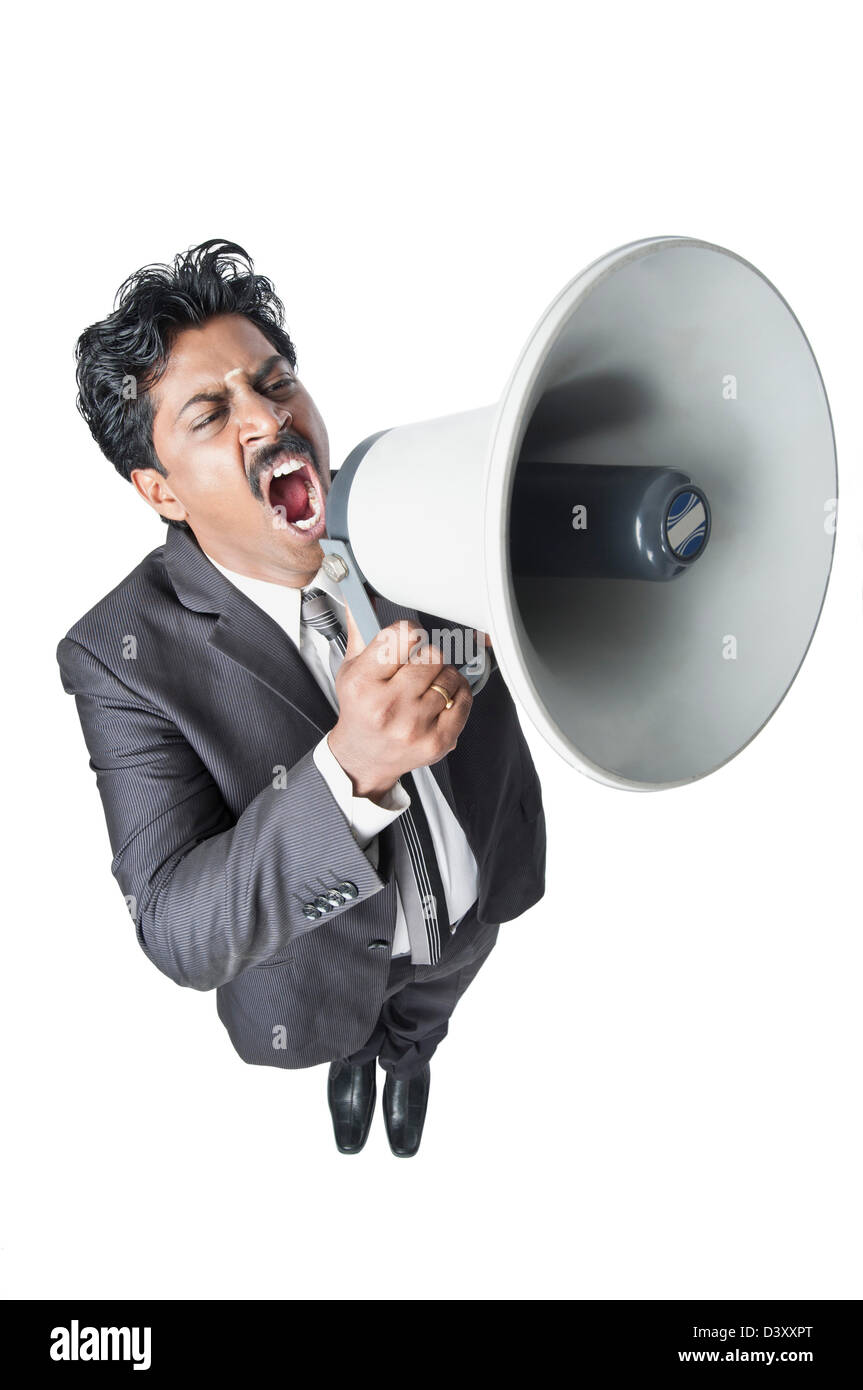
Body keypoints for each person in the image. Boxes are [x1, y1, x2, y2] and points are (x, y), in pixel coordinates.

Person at [57, 240, 546, 1157]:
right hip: (309, 970)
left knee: (431, 999)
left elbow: (499, 643)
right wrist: (351, 767)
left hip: (474, 880)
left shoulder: (412, 501)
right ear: (157, 488)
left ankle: (411, 1059)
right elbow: (175, 925)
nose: (266, 418)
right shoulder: (119, 656)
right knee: (344, 1027)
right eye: (210, 413)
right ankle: (354, 1064)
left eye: (274, 382)